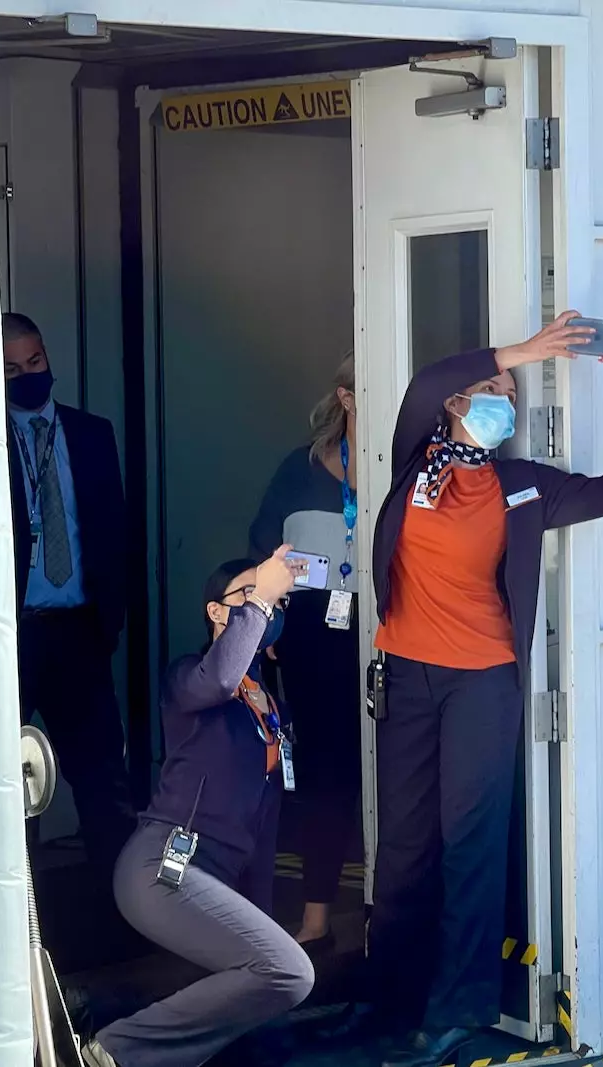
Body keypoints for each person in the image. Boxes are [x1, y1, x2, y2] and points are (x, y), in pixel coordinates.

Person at [366, 312, 603, 1067]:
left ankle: (457, 1008)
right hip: (405, 669)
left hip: (484, 680)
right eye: (492, 386)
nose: (506, 396)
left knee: (470, 844)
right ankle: (389, 998)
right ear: (457, 403)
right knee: (401, 845)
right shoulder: (414, 459)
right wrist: (525, 348)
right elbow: (426, 379)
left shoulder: (520, 485)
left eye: (513, 390)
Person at [84, 548, 316, 1067]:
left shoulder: (268, 705)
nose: (268, 606)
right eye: (252, 593)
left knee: (277, 973)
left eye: (275, 600)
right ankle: (113, 1052)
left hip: (216, 876)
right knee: (290, 971)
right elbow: (219, 679)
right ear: (217, 613)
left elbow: (266, 829)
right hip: (165, 865)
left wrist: (264, 918)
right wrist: (260, 602)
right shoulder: (188, 677)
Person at [3, 312, 135, 881]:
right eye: (11, 369)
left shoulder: (90, 433)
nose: (29, 376)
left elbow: (113, 530)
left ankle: (124, 907)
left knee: (101, 773)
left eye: (36, 362)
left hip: (80, 629)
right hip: (9, 633)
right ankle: (21, 918)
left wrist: (111, 620)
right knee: (8, 780)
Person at [249, 354, 361, 950]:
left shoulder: (414, 464)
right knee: (324, 776)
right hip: (314, 641)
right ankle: (316, 919)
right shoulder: (299, 469)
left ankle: (389, 924)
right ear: (346, 398)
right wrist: (269, 623)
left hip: (393, 636)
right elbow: (263, 551)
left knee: (399, 779)